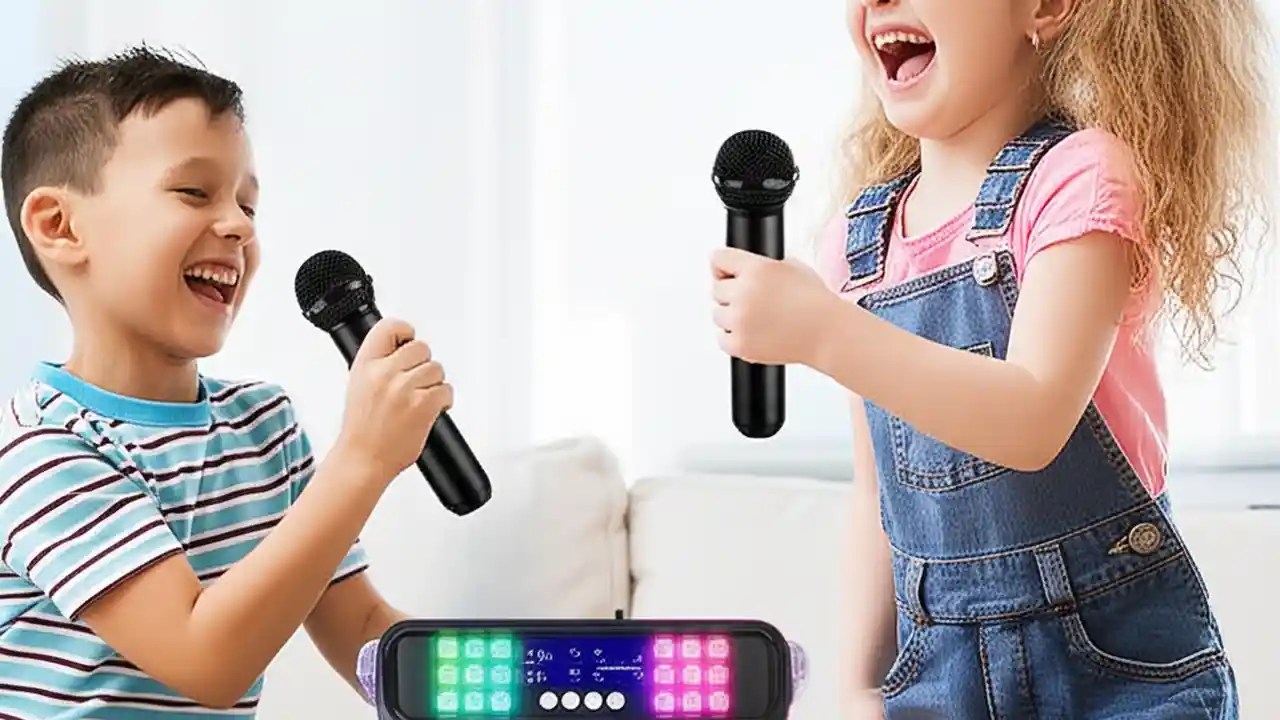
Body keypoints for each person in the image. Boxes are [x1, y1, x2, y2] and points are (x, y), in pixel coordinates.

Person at [709, 1, 1272, 718]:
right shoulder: (858, 245)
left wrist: (825, 333)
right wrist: (854, 685)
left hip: (1114, 679)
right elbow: (875, 499)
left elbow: (1031, 418)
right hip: (937, 679)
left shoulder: (1079, 179)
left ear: (1042, 8)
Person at [0, 47, 452, 717]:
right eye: (194, 191)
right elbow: (207, 660)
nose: (239, 224)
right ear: (59, 227)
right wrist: (362, 459)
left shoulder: (263, 427)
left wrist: (526, 689)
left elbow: (361, 632)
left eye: (248, 203)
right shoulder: (41, 451)